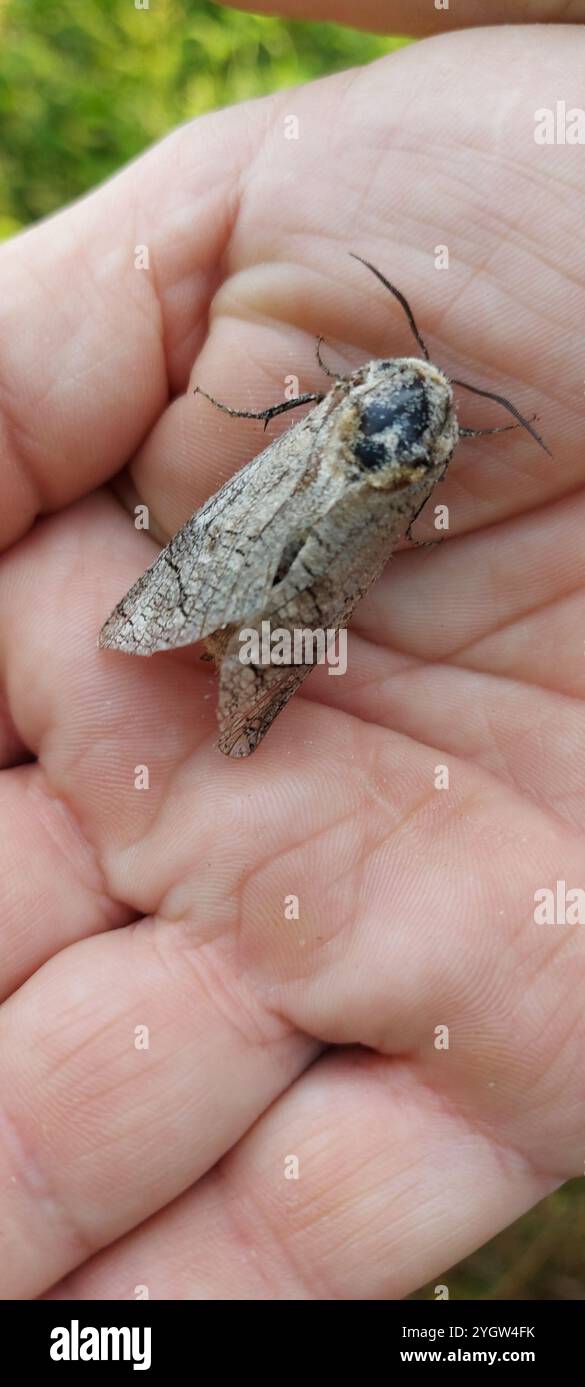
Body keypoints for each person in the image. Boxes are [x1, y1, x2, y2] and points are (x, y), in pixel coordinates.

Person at [0, 1, 582, 1300]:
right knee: (302, 550)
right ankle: (214, 658)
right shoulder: (415, 436)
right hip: (310, 526)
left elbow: (337, 419)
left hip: (264, 504)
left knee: (269, 525)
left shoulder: (354, 405)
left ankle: (193, 637)